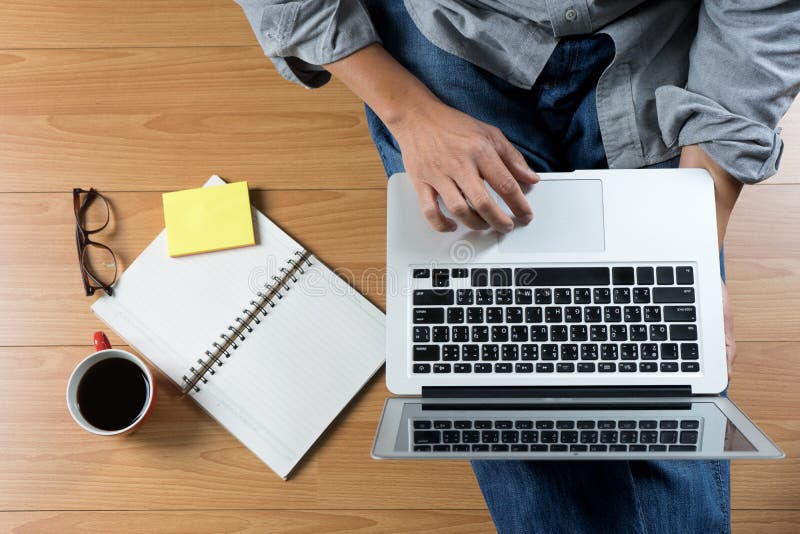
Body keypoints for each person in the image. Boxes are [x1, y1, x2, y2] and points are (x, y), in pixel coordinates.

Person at [235, 1, 800, 532]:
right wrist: (409, 114)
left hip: (653, 34)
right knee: (500, 385)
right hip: (445, 26)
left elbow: (765, 16)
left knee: (660, 395)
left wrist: (695, 230)